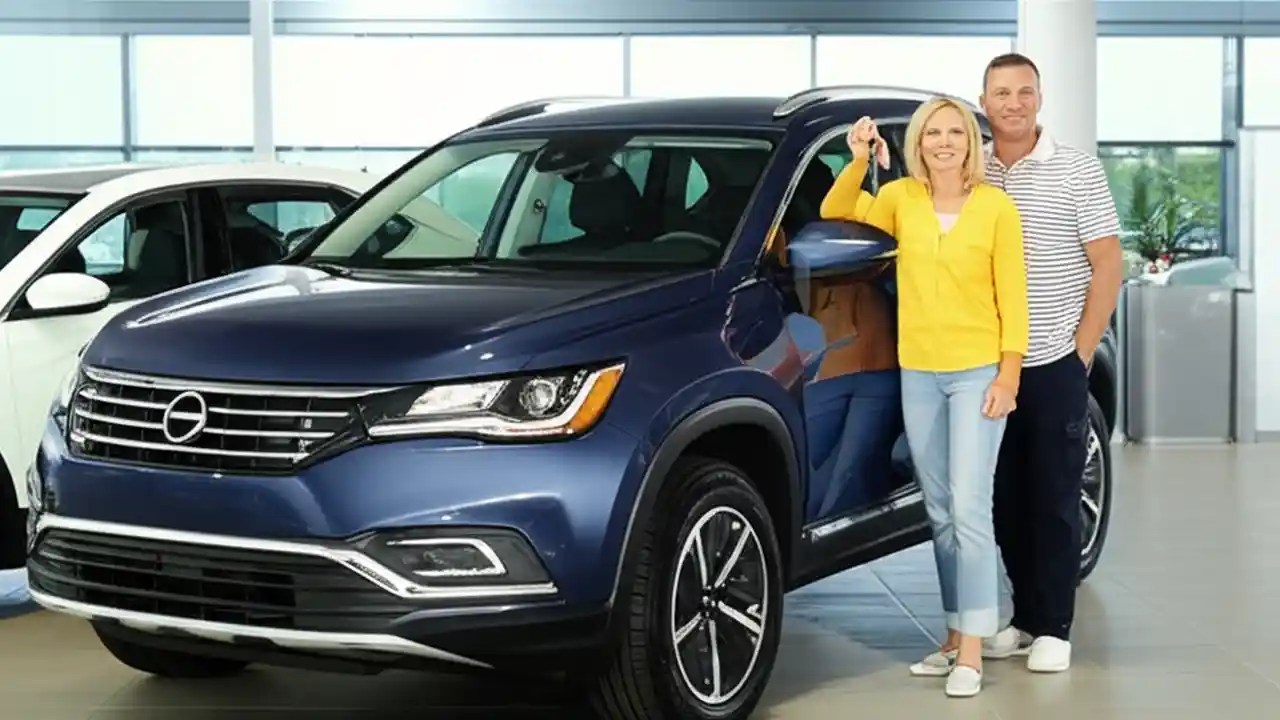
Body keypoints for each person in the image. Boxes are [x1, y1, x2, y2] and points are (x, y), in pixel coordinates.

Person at [820, 98, 1029, 697]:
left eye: (954, 132)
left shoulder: (995, 208)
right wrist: (858, 160)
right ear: (918, 143)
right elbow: (839, 215)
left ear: (970, 142)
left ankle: (972, 650)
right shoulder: (901, 199)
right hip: (920, 371)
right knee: (938, 511)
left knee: (968, 507)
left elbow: (1014, 298)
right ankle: (959, 631)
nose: (943, 142)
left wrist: (1007, 376)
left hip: (978, 371)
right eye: (932, 132)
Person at [976, 53, 1124, 673]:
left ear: (1040, 98)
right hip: (988, 366)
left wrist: (1082, 350)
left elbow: (1109, 264)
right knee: (1005, 499)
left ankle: (1057, 628)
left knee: (1055, 497)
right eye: (1001, 93)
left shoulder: (1076, 170)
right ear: (983, 100)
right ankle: (1027, 618)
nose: (1013, 103)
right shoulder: (973, 170)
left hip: (1053, 362)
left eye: (1024, 92)